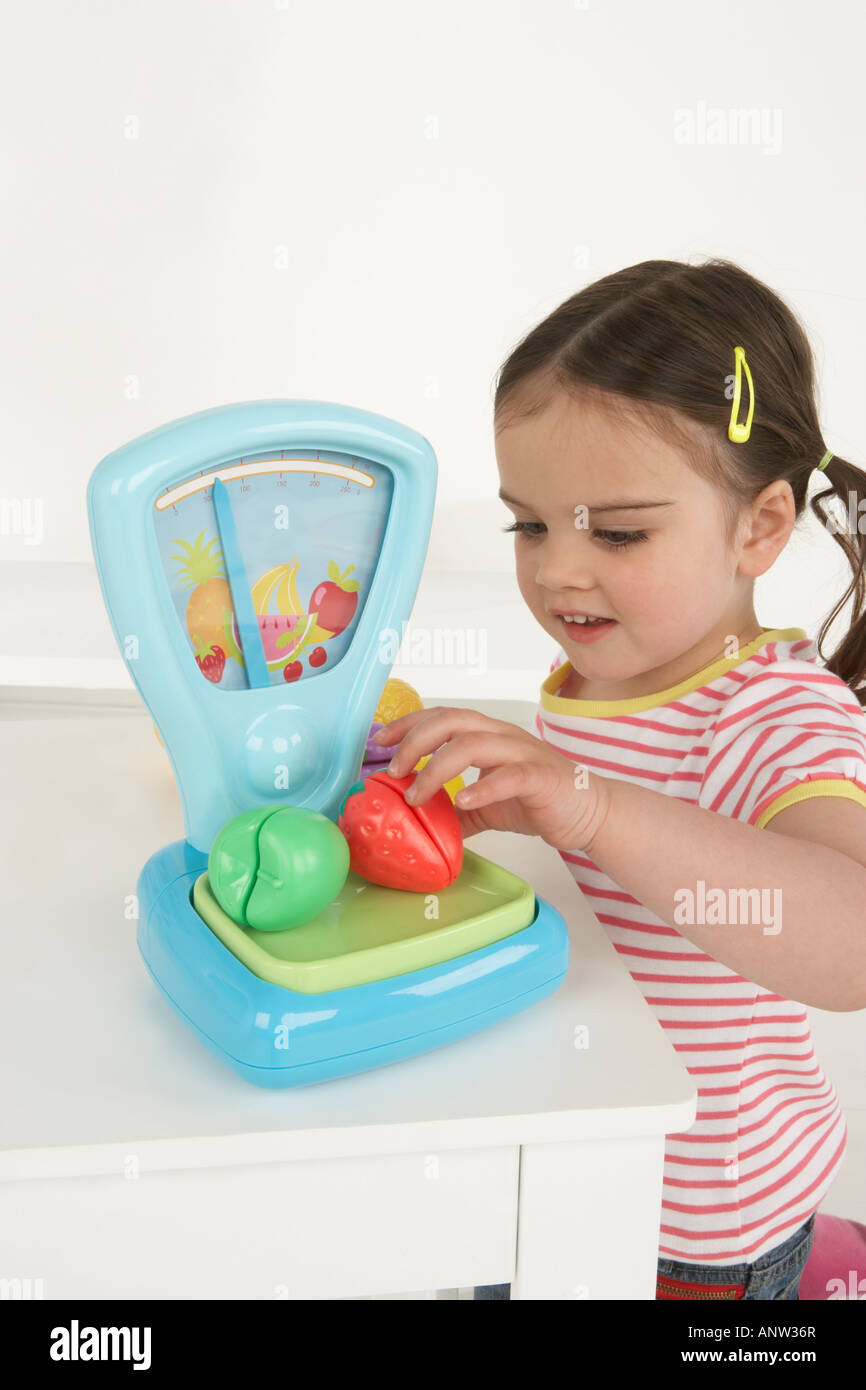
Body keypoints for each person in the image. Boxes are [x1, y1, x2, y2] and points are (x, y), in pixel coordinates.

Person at [372, 258, 866, 1300]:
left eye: (617, 530)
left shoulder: (774, 714)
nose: (556, 569)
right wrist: (505, 799)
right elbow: (604, 868)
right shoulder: (607, 671)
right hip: (553, 1158)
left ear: (758, 528)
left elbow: (851, 940)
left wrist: (586, 807)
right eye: (530, 523)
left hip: (687, 1226)